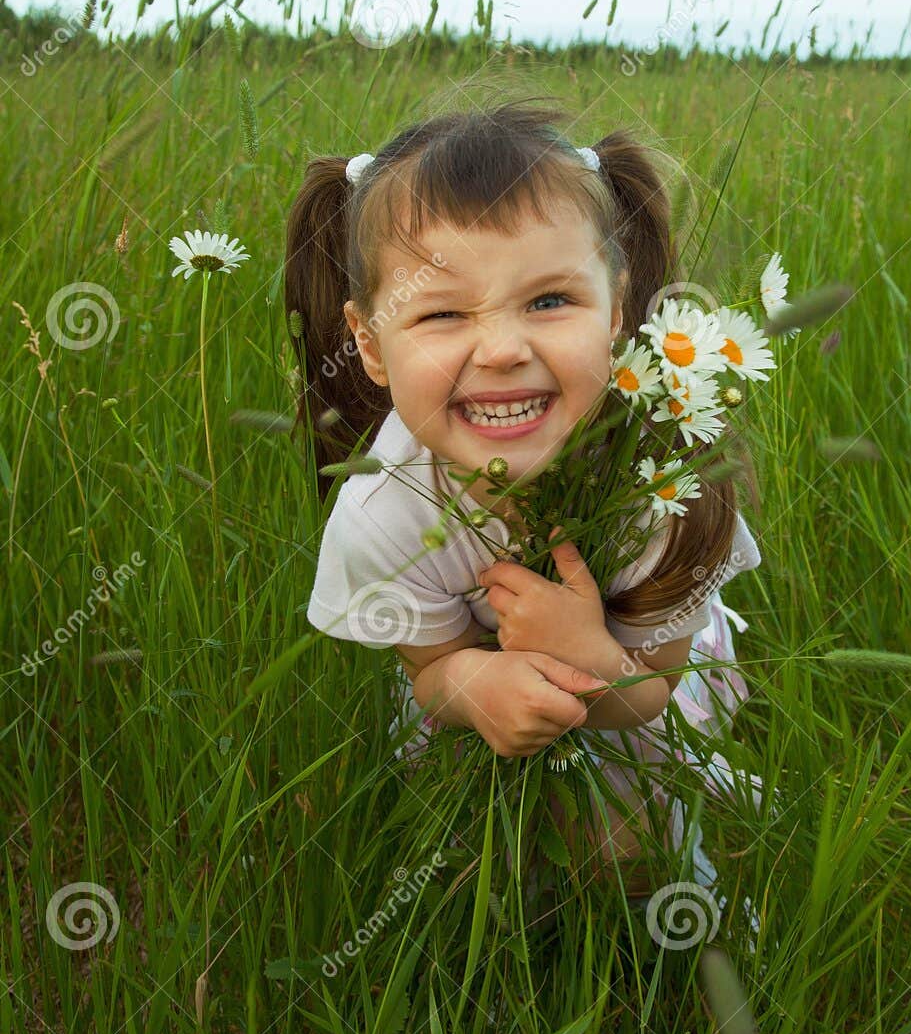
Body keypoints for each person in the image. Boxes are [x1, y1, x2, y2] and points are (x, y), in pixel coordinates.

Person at [285, 97, 763, 901]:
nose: (503, 350)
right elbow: (432, 670)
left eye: (548, 302)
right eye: (440, 314)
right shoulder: (385, 512)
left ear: (617, 310)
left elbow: (650, 691)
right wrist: (475, 687)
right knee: (482, 857)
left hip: (639, 687)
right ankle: (501, 963)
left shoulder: (663, 493)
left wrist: (588, 655)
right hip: (480, 699)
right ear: (369, 344)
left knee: (627, 851)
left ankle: (687, 911)